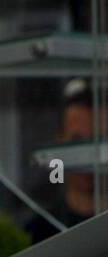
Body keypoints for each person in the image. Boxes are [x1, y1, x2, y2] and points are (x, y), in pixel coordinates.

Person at [24, 78, 108, 244]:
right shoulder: (38, 232)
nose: (87, 155)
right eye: (77, 140)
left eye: (98, 140)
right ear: (59, 143)